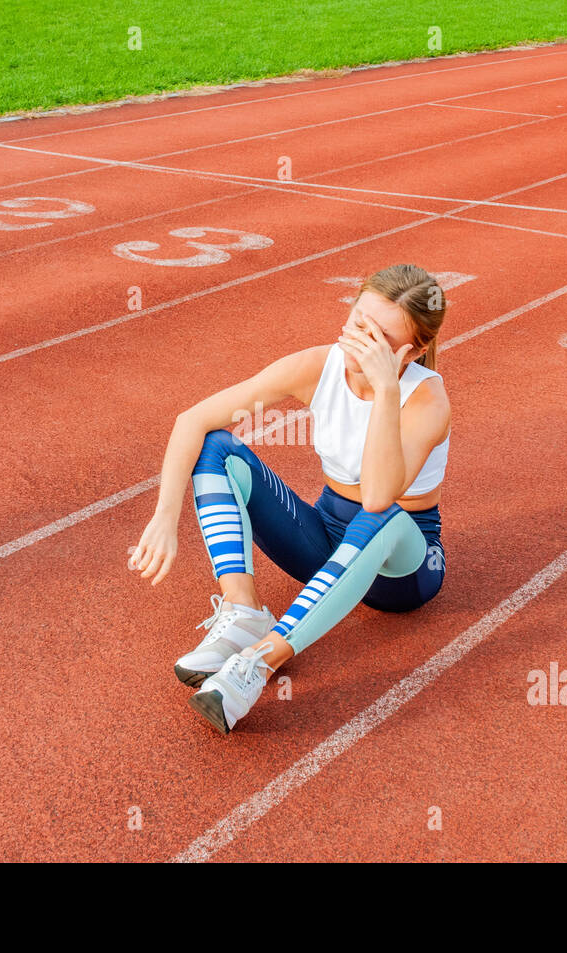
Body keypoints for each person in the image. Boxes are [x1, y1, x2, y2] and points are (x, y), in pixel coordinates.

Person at [128, 264, 451, 733]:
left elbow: (378, 495)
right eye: (358, 322)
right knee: (217, 447)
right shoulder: (318, 367)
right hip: (326, 542)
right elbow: (192, 420)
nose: (361, 342)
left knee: (378, 513)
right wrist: (165, 517)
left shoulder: (426, 400)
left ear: (413, 350)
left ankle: (259, 663)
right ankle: (243, 612)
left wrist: (385, 389)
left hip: (402, 570)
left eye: (380, 338)